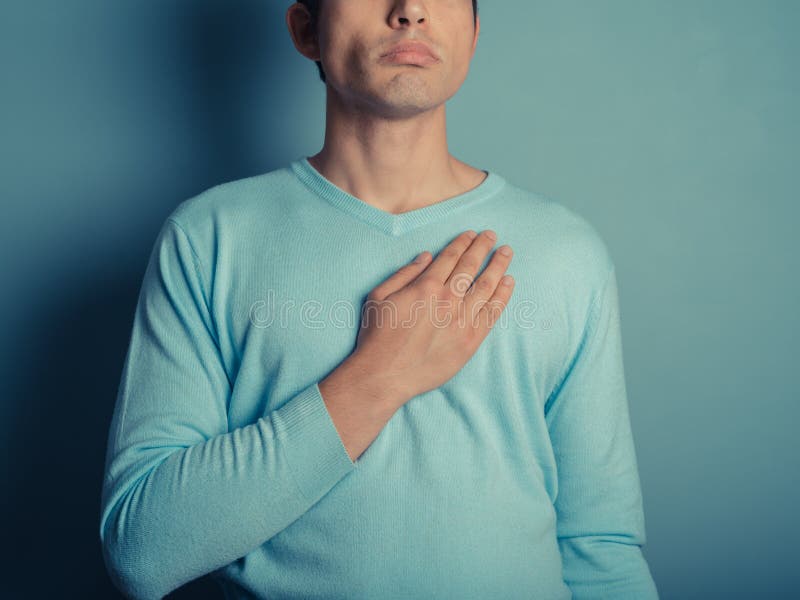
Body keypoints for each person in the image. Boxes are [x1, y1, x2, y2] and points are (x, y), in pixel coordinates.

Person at [99, 1, 659, 598]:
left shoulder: (566, 250)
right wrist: (379, 375)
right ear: (305, 28)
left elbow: (600, 548)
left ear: (473, 34)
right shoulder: (210, 237)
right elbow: (142, 551)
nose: (410, 9)